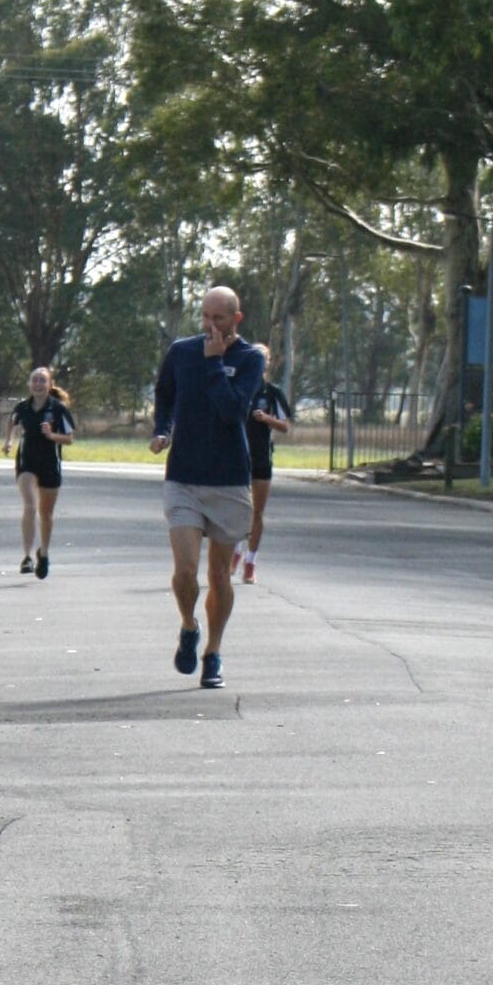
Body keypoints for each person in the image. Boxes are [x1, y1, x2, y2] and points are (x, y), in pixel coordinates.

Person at [149, 285, 264, 689]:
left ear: (237, 318)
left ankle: (213, 653)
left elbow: (234, 411)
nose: (210, 325)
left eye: (219, 318)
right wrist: (162, 431)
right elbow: (164, 397)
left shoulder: (250, 359)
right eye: (205, 316)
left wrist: (215, 363)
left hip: (228, 480)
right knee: (184, 572)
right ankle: (188, 625)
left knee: (218, 575)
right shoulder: (181, 352)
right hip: (183, 477)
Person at [1, 366, 76, 578]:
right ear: (29, 384)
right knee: (30, 506)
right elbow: (12, 422)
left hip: (50, 464)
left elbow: (70, 438)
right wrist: (9, 441)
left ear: (50, 384)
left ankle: (43, 552)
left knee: (46, 513)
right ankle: (27, 557)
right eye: (34, 380)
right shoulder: (22, 407)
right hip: (27, 461)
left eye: (42, 380)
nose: (38, 384)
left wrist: (52, 435)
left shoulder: (58, 409)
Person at [239, 356, 293, 583]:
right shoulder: (238, 387)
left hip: (261, 459)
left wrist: (267, 419)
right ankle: (234, 551)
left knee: (256, 511)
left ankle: (250, 562)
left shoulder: (272, 393)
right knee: (235, 510)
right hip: (237, 458)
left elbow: (285, 427)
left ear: (266, 366)